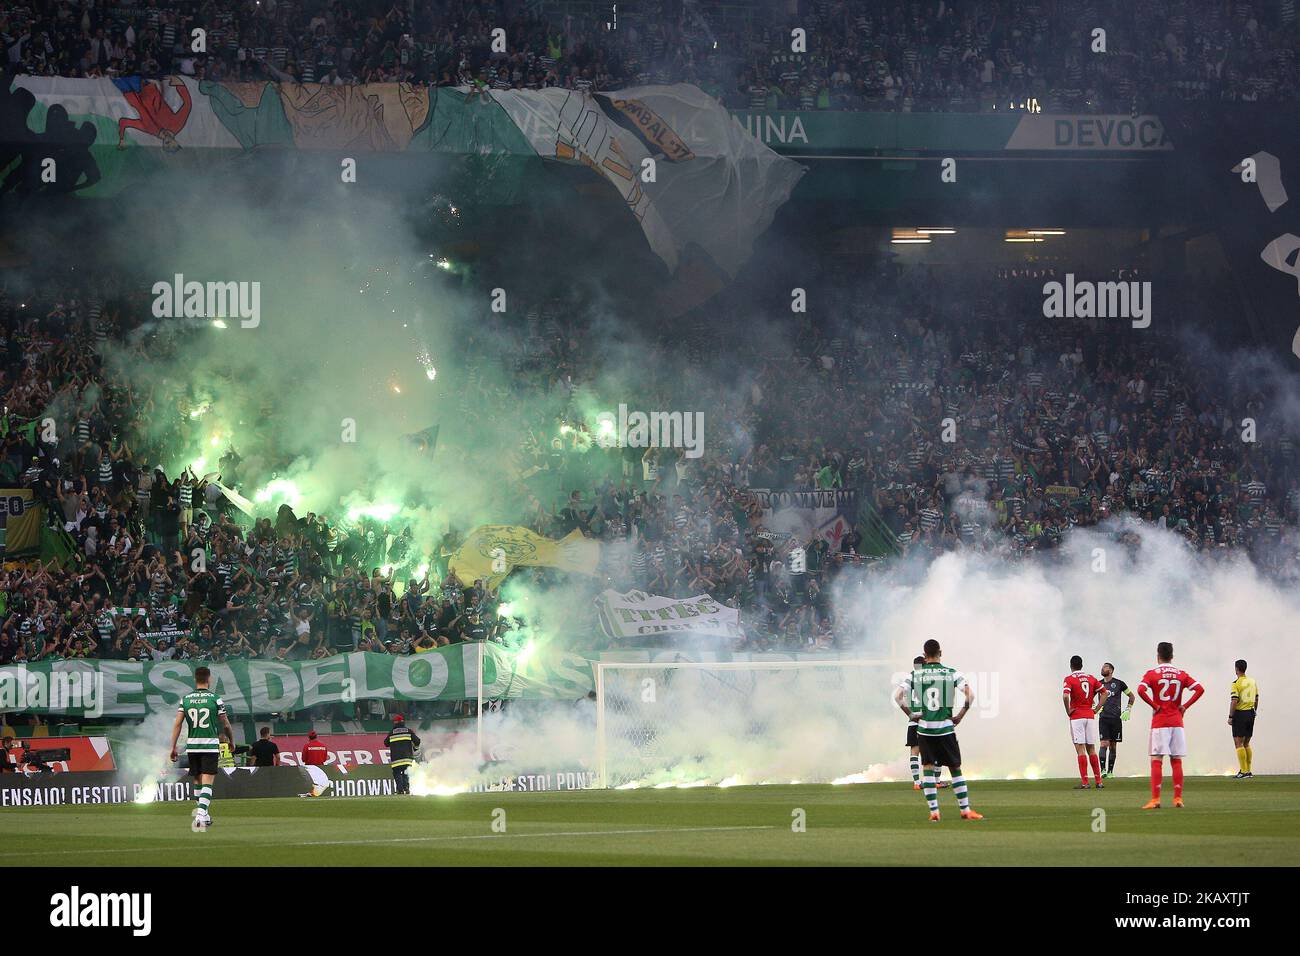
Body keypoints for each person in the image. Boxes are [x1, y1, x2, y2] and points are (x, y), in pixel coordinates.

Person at [895, 639, 982, 822]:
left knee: (927, 768)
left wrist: (911, 715)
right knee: (954, 768)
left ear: (925, 655)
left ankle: (934, 812)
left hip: (925, 729)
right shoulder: (951, 673)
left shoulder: (915, 675)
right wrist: (960, 715)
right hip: (945, 728)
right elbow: (970, 695)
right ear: (940, 652)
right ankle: (965, 810)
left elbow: (897, 696)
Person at [1136, 642, 1205, 809]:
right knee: (1176, 760)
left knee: (1157, 759)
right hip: (1177, 722)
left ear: (1158, 656)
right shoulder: (1181, 674)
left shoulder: (1152, 674)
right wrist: (1184, 706)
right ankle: (1178, 798)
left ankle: (1155, 799)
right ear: (1172, 656)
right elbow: (1200, 689)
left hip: (1160, 722)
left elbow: (1140, 690)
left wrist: (1155, 706)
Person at [168, 666, 235, 830]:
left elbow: (177, 724)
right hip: (209, 745)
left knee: (198, 780)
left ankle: (205, 815)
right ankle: (200, 814)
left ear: (195, 679)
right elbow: (225, 723)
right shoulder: (215, 699)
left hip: (193, 746)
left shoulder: (186, 699)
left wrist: (173, 747)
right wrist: (231, 740)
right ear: (209, 679)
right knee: (207, 782)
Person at [893, 655, 947, 791]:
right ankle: (936, 781)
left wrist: (911, 714)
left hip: (913, 720)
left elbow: (898, 696)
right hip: (927, 719)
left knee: (914, 751)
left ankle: (917, 782)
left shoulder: (910, 678)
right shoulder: (929, 677)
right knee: (936, 749)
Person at [1062, 655, 1107, 789]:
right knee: (1091, 748)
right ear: (1081, 665)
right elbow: (1105, 693)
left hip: (1077, 716)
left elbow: (1065, 695)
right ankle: (1099, 782)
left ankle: (1085, 782)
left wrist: (1068, 710)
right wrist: (1097, 709)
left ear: (1071, 666)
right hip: (1089, 715)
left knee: (1080, 749)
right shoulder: (1091, 678)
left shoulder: (1069, 679)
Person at [1096, 662, 1134, 778]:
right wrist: (1094, 706)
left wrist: (1128, 709)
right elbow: (1089, 696)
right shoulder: (1098, 684)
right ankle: (1102, 770)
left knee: (1113, 745)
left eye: (1105, 667)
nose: (1103, 669)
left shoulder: (1119, 683)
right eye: (1102, 667)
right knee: (1104, 743)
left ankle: (1110, 772)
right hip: (1103, 718)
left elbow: (1131, 696)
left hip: (1116, 719)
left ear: (1111, 670)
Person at [1229, 660, 1259, 779]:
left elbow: (1234, 700)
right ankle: (1248, 771)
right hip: (1251, 713)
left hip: (1240, 714)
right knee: (1246, 743)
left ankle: (1244, 772)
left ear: (1236, 669)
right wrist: (1254, 711)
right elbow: (1256, 698)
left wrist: (1231, 716)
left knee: (1238, 743)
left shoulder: (1235, 683)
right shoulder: (1252, 682)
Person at [384, 714, 420, 795]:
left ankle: (400, 790)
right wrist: (416, 748)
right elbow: (417, 741)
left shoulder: (392, 733)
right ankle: (406, 788)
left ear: (395, 723)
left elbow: (385, 743)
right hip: (407, 758)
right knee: (406, 772)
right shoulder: (408, 731)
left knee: (397, 773)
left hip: (396, 759)